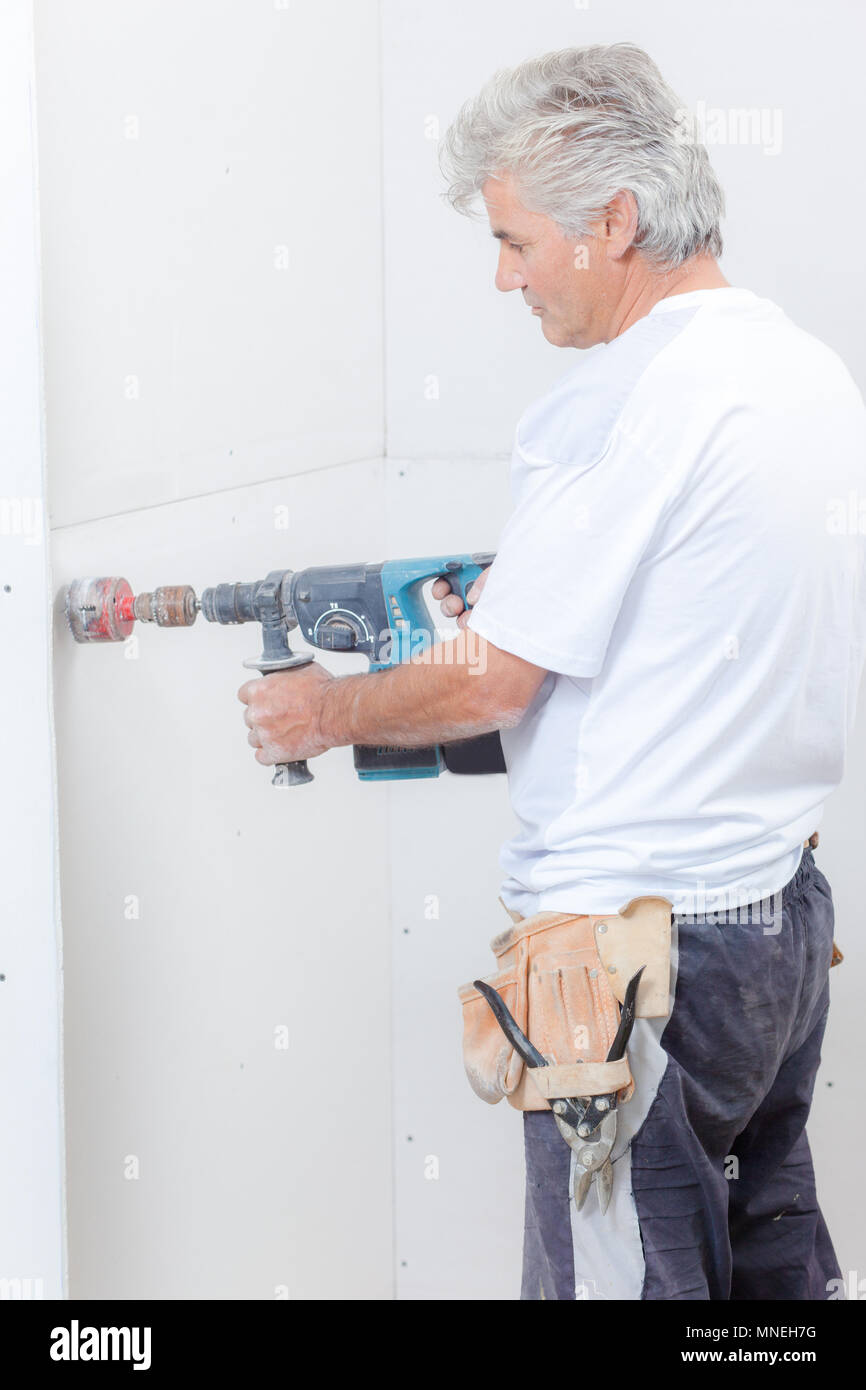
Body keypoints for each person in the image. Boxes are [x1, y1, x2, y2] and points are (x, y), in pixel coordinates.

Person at [238, 43, 866, 1300]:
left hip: (640, 966)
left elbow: (487, 687)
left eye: (517, 240)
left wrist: (320, 710)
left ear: (613, 222)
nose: (502, 275)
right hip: (773, 932)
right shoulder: (799, 370)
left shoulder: (620, 402)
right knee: (769, 1284)